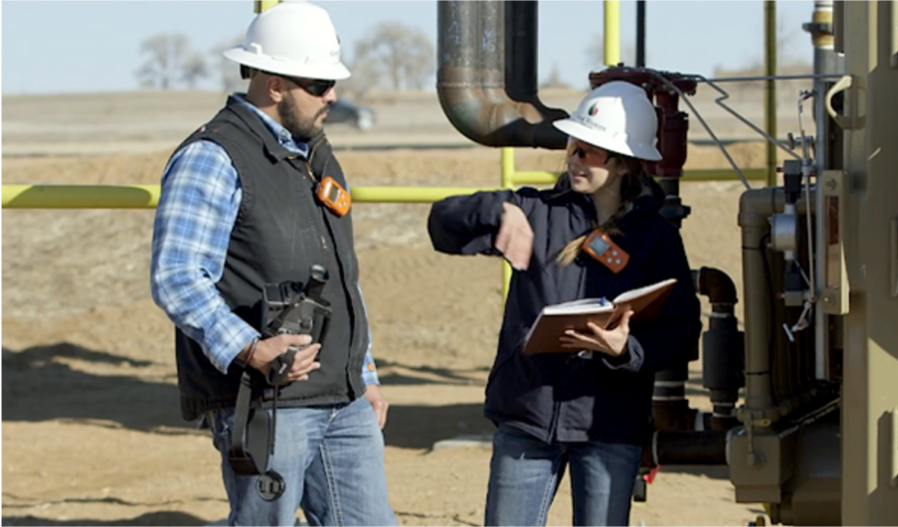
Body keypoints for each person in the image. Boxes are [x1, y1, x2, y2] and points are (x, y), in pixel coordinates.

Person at [149, 1, 397, 525]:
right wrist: (251, 349)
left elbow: (341, 279)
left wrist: (364, 372)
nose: (332, 95)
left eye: (332, 81)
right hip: (267, 401)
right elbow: (177, 276)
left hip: (343, 398)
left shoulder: (316, 154)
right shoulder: (213, 156)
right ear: (274, 83)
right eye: (317, 83)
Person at [427, 80, 703, 527]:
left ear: (624, 163)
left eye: (588, 150)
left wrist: (625, 351)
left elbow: (682, 333)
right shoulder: (536, 211)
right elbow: (442, 222)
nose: (573, 157)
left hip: (607, 424)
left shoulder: (656, 239)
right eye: (573, 145)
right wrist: (495, 212)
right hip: (527, 418)